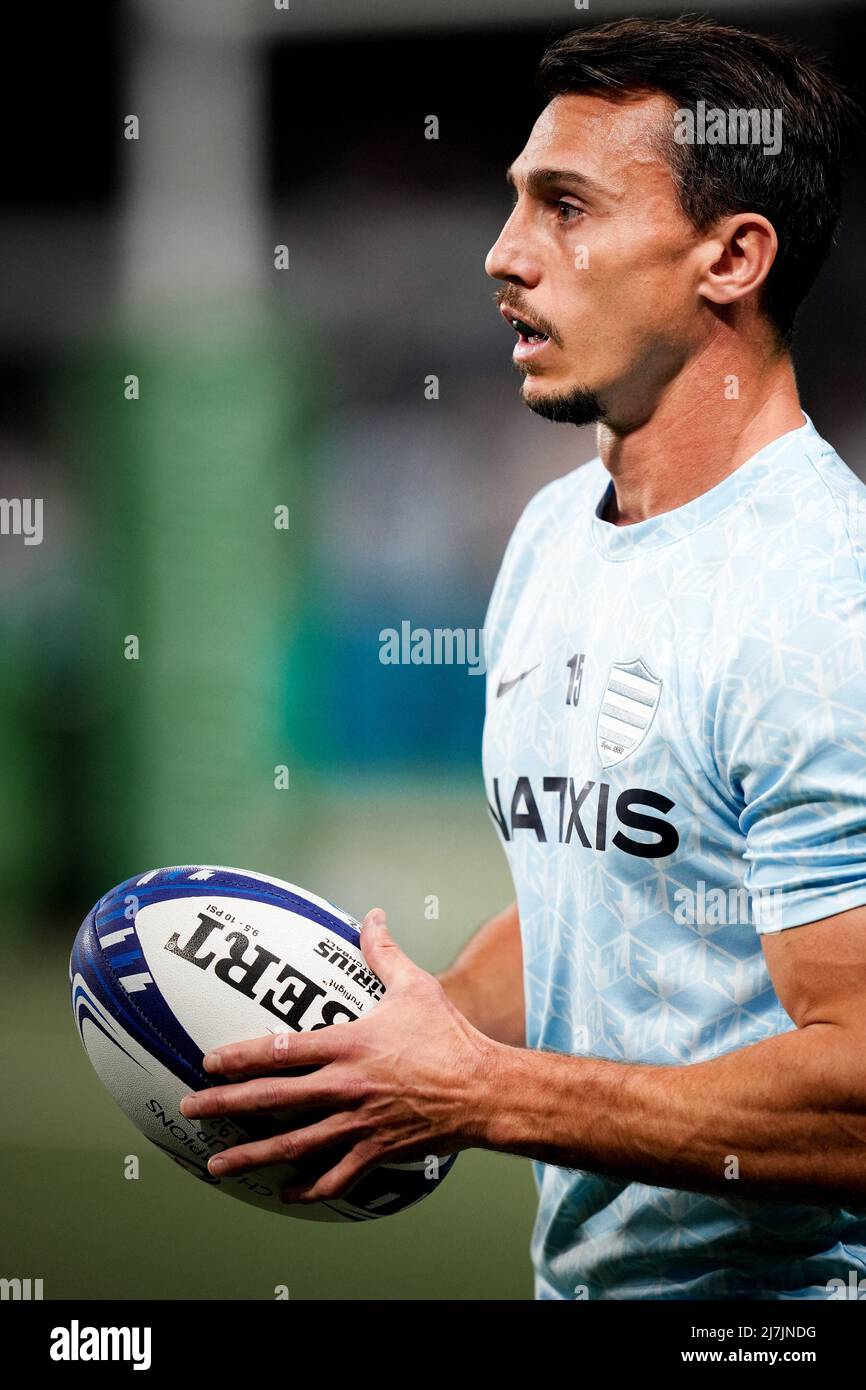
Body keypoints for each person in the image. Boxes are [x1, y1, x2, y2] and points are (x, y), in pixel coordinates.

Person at [180, 17, 866, 1300]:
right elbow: (597, 903)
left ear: (731, 257)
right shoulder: (554, 532)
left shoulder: (825, 608)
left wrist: (482, 1093)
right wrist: (411, 1035)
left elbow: (857, 1093)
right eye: (514, 202)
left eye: (565, 207)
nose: (502, 254)